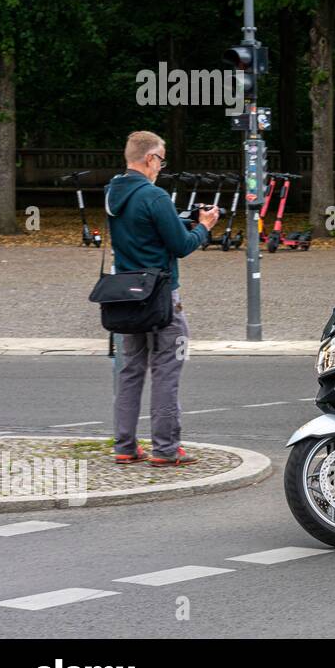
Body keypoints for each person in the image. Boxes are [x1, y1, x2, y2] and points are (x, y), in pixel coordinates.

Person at [106, 131, 218, 466]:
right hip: (162, 298)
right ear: (150, 158)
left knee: (130, 370)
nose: (162, 166)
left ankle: (124, 445)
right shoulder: (155, 197)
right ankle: (166, 448)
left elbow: (143, 232)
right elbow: (181, 246)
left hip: (126, 294)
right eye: (162, 159)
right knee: (167, 369)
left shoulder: (112, 192)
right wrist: (204, 225)